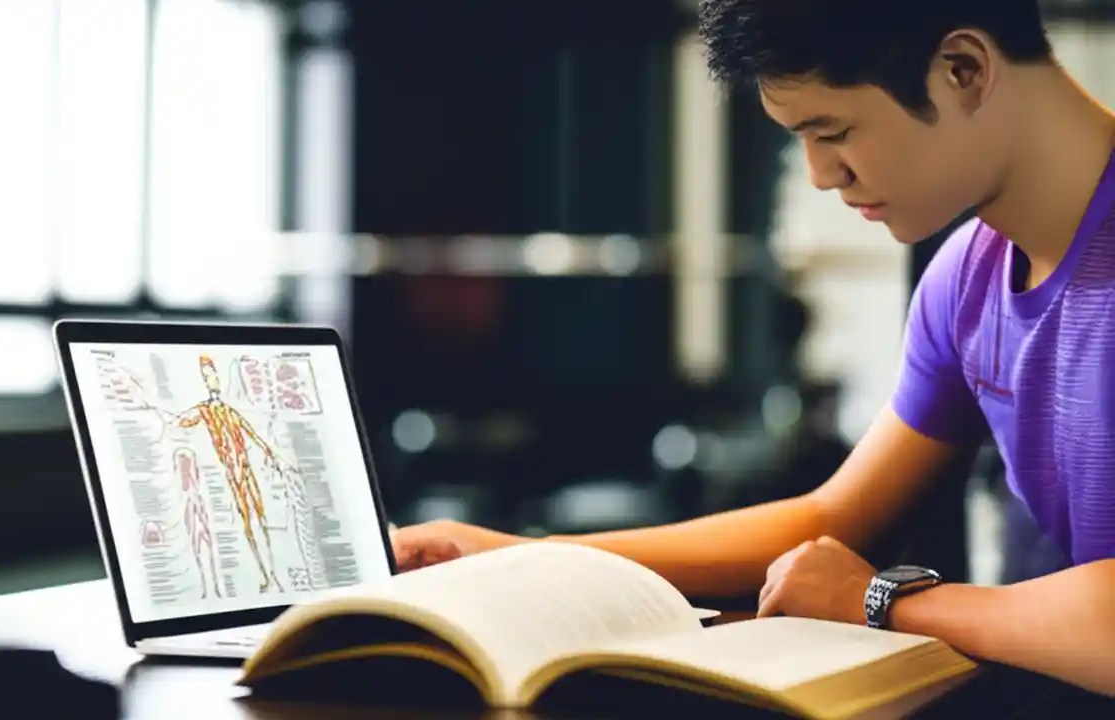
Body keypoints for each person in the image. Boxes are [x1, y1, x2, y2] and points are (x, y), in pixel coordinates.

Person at [390, 0, 1115, 697]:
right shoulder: (967, 281)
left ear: (963, 70)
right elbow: (832, 521)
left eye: (833, 131)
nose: (821, 175)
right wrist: (507, 559)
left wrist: (882, 601)